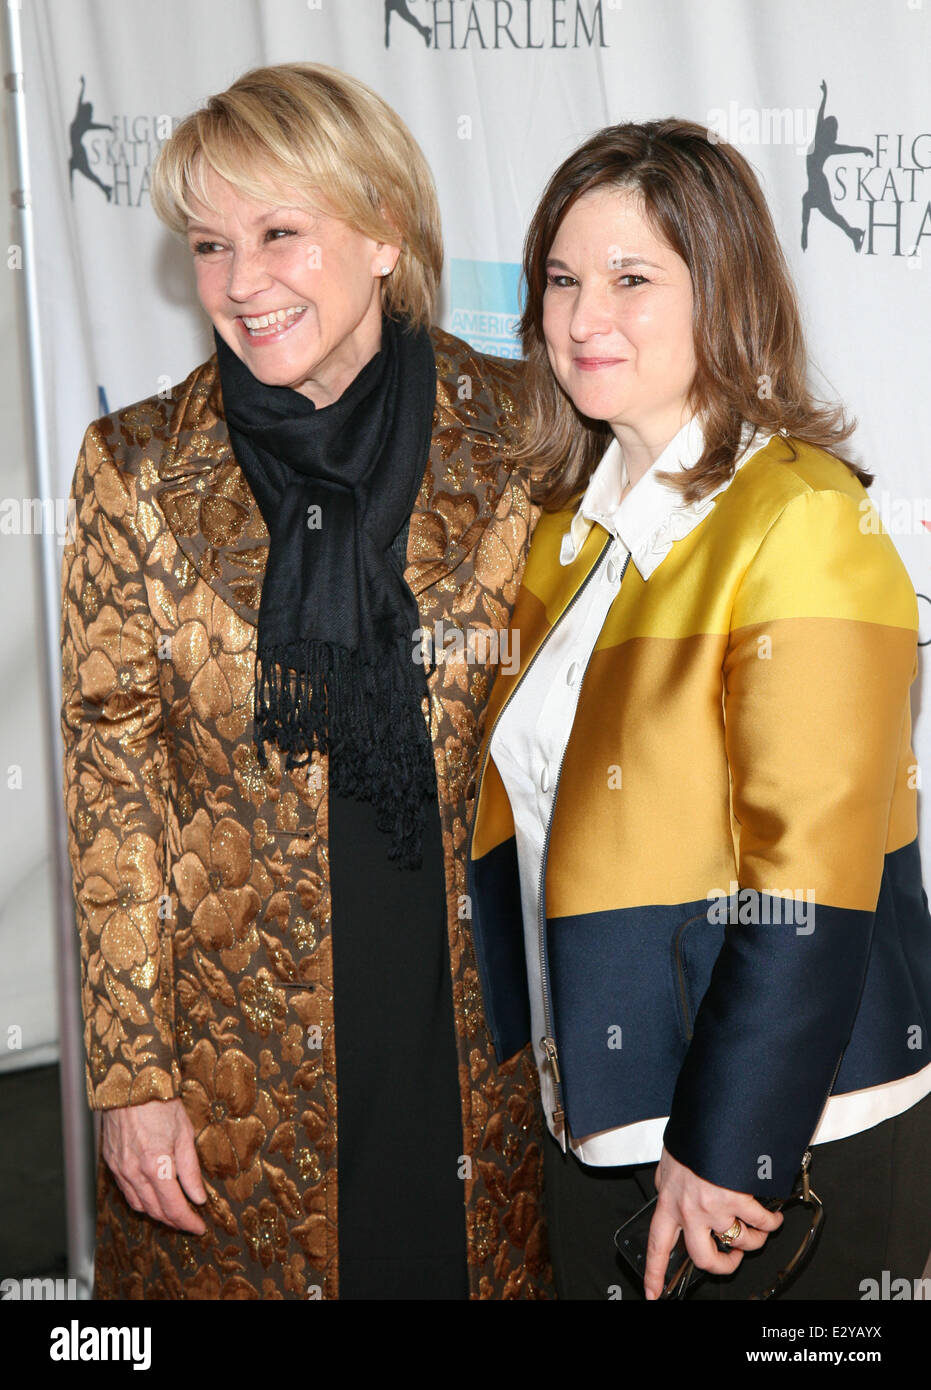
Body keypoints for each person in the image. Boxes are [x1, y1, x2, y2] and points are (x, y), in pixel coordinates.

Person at [59, 61, 552, 1301]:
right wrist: (130, 1077)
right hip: (229, 1073)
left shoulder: (522, 438)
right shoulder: (138, 468)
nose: (240, 283)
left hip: (475, 1043)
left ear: (385, 230)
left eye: (281, 232)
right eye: (212, 245)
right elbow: (110, 787)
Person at [467, 118, 931, 1301]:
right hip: (609, 1118)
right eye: (561, 281)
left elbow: (811, 877)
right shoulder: (572, 531)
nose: (580, 318)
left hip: (777, 1139)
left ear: (721, 292)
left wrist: (731, 1144)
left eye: (631, 279)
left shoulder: (805, 517)